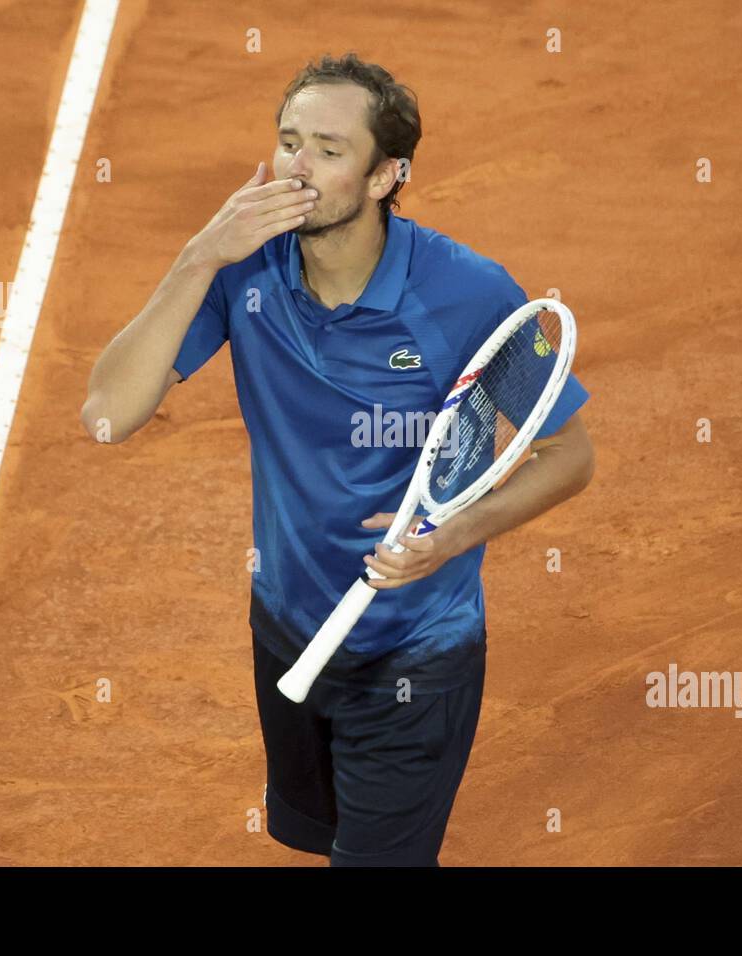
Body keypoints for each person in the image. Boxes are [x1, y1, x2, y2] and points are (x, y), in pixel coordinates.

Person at [82, 52, 594, 866]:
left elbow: (570, 454)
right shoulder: (247, 265)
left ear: (389, 173)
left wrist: (456, 536)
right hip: (286, 625)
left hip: (415, 655)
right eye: (288, 142)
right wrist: (200, 255)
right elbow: (107, 416)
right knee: (315, 841)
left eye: (328, 149)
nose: (297, 166)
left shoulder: (466, 295)